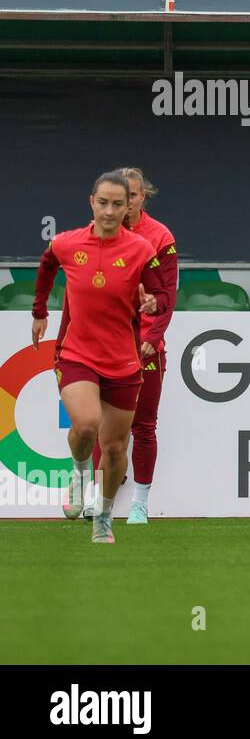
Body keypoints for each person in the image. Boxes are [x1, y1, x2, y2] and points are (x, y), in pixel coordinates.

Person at [31, 171, 172, 544]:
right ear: (91, 201)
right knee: (86, 424)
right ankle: (78, 476)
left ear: (129, 207)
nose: (109, 211)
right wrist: (39, 311)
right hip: (78, 353)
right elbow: (46, 267)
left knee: (114, 448)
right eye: (103, 202)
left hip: (123, 360)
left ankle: (104, 517)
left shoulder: (142, 248)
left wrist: (151, 304)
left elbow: (161, 295)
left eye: (117, 204)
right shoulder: (65, 243)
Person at [86, 167, 178, 525]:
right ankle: (98, 495)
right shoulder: (98, 233)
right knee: (100, 423)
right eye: (119, 198)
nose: (124, 206)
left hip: (144, 348)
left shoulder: (159, 237)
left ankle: (140, 503)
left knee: (144, 425)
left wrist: (152, 339)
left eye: (133, 197)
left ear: (143, 198)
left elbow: (166, 295)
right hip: (106, 346)